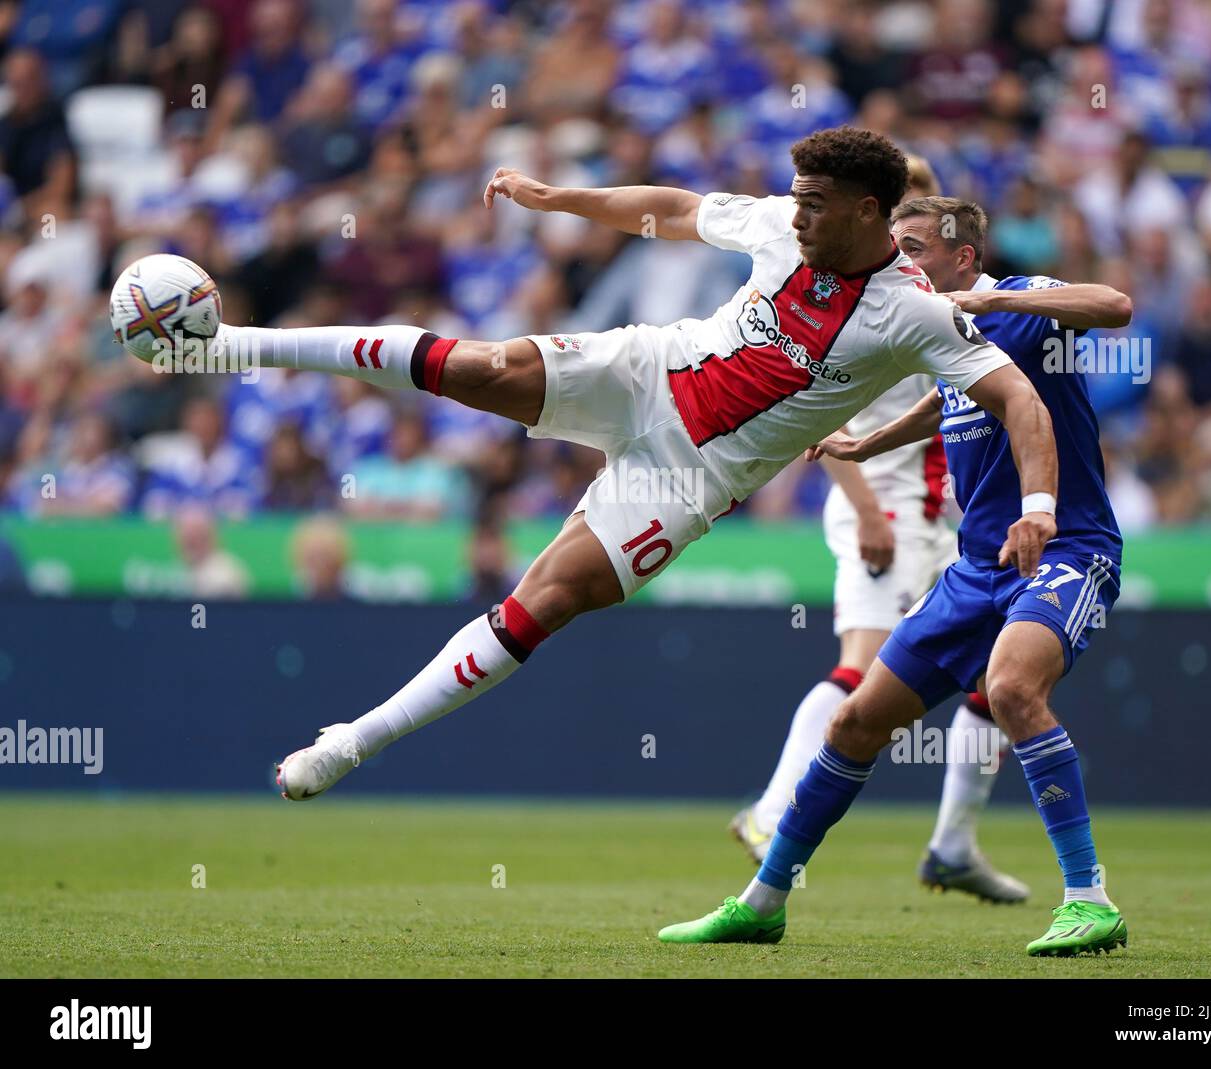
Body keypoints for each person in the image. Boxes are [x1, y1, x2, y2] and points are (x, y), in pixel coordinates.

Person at [194, 128, 1058, 879]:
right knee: (481, 367)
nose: (796, 217)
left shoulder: (914, 312)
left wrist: (1041, 505)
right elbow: (675, 210)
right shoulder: (780, 226)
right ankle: (235, 346)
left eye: (817, 206)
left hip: (689, 479)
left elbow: (1020, 396)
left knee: (547, 601)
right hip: (647, 372)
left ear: (870, 211)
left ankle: (354, 739)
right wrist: (556, 196)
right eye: (796, 201)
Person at [661, 195, 1131, 957]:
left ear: (964, 258)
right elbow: (951, 401)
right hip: (976, 567)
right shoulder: (938, 334)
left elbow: (1114, 304)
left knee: (1011, 689)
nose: (902, 261)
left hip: (1067, 550)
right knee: (855, 723)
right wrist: (871, 441)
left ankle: (1088, 898)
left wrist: (994, 297)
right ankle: (762, 902)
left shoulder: (1018, 304)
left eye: (914, 247)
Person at [729, 161, 1029, 904]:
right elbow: (819, 409)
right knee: (863, 668)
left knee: (995, 670)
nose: (908, 235)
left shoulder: (921, 296)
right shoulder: (845, 293)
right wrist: (864, 508)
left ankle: (954, 843)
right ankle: (771, 813)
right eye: (901, 220)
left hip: (933, 514)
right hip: (883, 507)